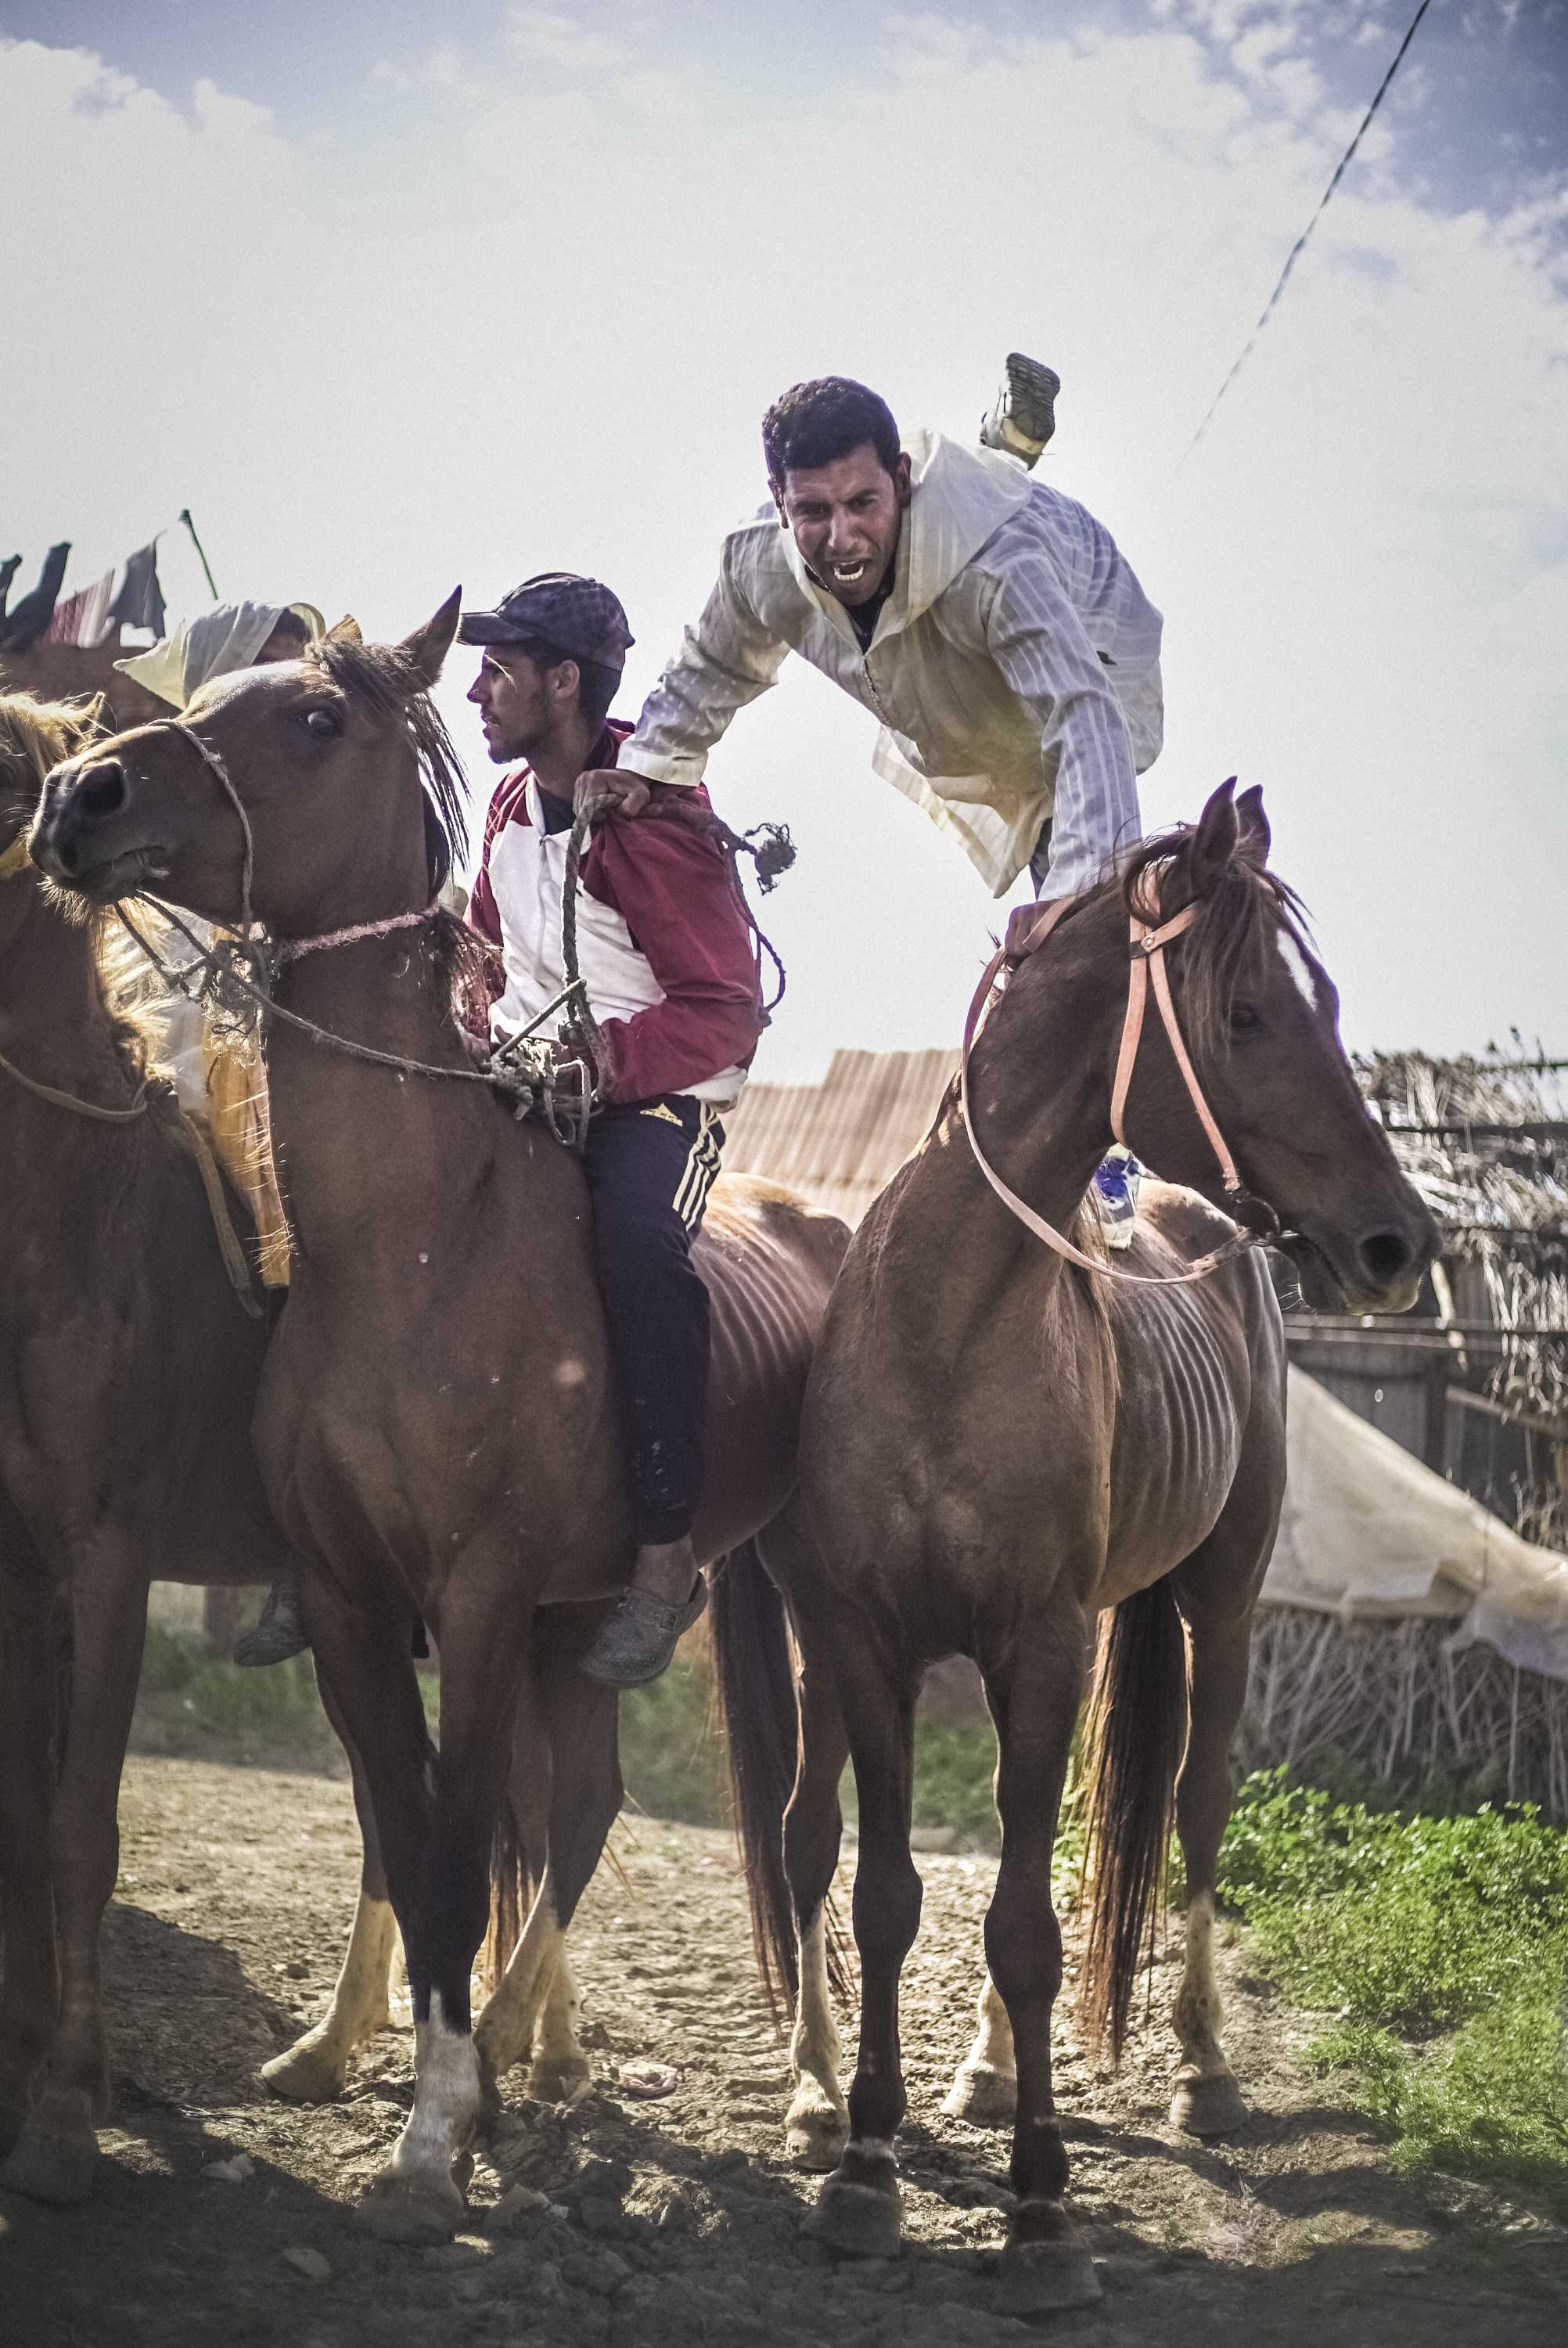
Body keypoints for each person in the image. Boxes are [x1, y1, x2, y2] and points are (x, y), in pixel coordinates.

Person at [577, 367, 1160, 1238]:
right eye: (814, 511)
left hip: (1089, 640)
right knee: (940, 655)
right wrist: (652, 763)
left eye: (862, 504)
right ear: (778, 500)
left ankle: (1109, 1143)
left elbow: (1082, 726)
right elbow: (711, 663)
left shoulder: (1005, 570)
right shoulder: (760, 565)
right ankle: (996, 450)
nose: (842, 538)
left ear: (899, 481)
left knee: (1071, 906)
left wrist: (1080, 901)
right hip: (947, 663)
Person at [462, 572, 769, 1685]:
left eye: (499, 671)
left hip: (657, 1108)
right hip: (528, 1086)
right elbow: (485, 957)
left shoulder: (654, 822)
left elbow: (725, 1013)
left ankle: (659, 1561)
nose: (476, 691)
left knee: (637, 1251)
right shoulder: (505, 813)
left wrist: (602, 1067)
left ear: (563, 682)